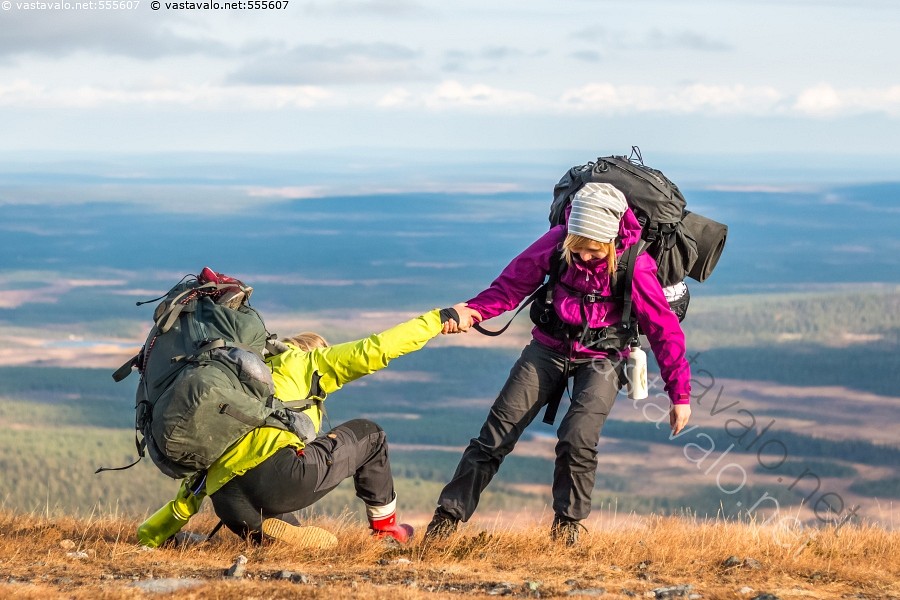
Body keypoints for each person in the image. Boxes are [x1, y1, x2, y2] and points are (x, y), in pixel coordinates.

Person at [427, 182, 692, 545]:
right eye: (577, 249)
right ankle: (446, 521)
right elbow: (509, 287)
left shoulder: (637, 265)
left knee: (578, 438)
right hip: (549, 348)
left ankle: (567, 529)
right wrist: (472, 312)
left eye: (593, 251)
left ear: (611, 241)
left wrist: (680, 396)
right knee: (494, 437)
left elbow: (665, 332)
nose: (583, 257)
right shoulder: (555, 242)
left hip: (602, 359)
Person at [138, 304, 468, 548]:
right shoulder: (310, 362)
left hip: (228, 501)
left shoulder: (244, 381)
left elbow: (192, 488)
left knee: (291, 537)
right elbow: (378, 348)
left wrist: (152, 534)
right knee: (371, 434)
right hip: (278, 476)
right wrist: (437, 320)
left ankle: (264, 531)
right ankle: (386, 531)